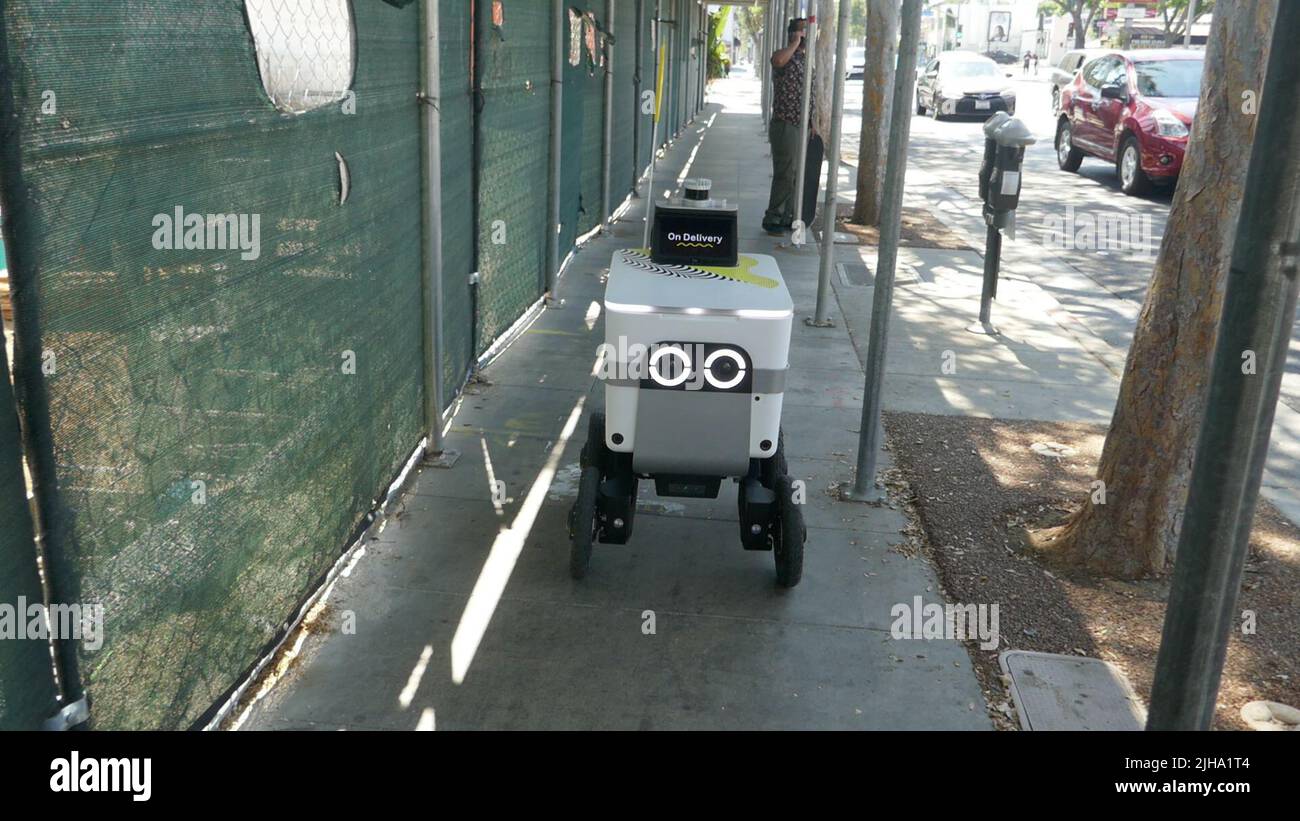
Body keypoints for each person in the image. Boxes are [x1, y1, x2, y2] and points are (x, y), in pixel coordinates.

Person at [763, 17, 816, 236]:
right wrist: (794, 43)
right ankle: (773, 216)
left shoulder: (806, 60)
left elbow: (809, 94)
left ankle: (788, 216)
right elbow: (776, 62)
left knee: (796, 173)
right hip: (785, 123)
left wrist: (812, 122)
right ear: (794, 34)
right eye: (803, 32)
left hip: (802, 124)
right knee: (785, 172)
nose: (806, 37)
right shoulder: (785, 56)